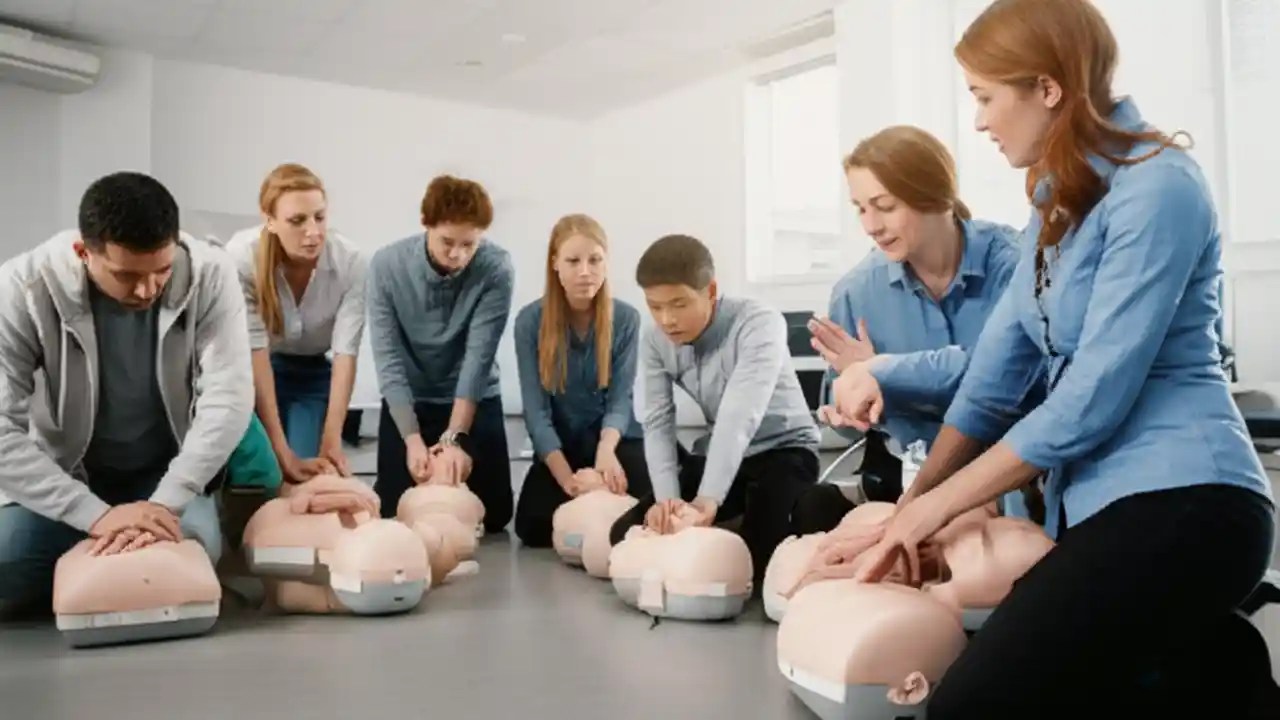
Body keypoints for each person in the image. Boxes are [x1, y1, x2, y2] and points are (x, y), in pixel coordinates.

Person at [825, 1, 1279, 717]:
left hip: (1190, 498)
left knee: (971, 706)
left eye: (985, 97)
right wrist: (905, 518)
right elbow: (991, 383)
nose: (979, 121)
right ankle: (1224, 666)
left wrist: (937, 507)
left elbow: (1090, 400)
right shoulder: (1056, 204)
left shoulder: (1158, 186)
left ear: (1047, 88)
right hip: (1101, 512)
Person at [0, 171, 253, 618]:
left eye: (162, 271)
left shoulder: (212, 274)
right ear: (83, 252)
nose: (147, 290)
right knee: (9, 562)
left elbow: (228, 399)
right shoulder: (22, 287)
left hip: (164, 476)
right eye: (127, 275)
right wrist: (95, 515)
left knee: (192, 554)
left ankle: (99, 564)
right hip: (68, 476)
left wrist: (165, 502)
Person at [796, 125, 1027, 530]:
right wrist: (849, 407)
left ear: (937, 196)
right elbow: (845, 418)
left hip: (1009, 473)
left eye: (884, 206)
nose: (870, 225)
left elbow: (1001, 376)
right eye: (860, 208)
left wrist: (882, 370)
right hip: (906, 476)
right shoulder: (855, 292)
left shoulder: (1014, 264)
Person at [608, 234, 822, 587]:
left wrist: (707, 501)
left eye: (678, 304)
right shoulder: (654, 339)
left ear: (710, 291)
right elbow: (657, 422)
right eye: (655, 306)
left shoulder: (759, 323)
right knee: (623, 534)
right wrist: (668, 503)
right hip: (718, 458)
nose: (666, 319)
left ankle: (732, 526)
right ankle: (723, 527)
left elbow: (738, 417)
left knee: (756, 566)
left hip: (785, 452)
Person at [367, 175, 515, 534]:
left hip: (472, 398)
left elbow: (478, 359)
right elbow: (388, 360)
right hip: (412, 398)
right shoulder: (386, 266)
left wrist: (454, 438)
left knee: (495, 514)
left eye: (469, 244)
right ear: (426, 225)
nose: (457, 254)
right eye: (447, 242)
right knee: (393, 508)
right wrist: (412, 439)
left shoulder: (496, 268)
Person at [512, 214, 651, 547]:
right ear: (555, 264)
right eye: (573, 261)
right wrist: (570, 483)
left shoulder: (626, 318)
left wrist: (606, 454)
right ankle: (598, 506)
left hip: (613, 441)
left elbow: (620, 399)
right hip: (562, 445)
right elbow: (536, 414)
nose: (585, 271)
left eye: (595, 260)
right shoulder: (530, 321)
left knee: (651, 499)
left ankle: (604, 509)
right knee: (531, 525)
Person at [226, 163, 367, 486]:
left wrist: (332, 441)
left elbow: (346, 353)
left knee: (308, 471)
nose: (313, 232)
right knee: (265, 474)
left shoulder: (351, 262)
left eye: (320, 217)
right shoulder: (242, 257)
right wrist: (279, 451)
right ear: (269, 220)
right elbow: (256, 353)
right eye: (297, 221)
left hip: (312, 374)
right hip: (255, 374)